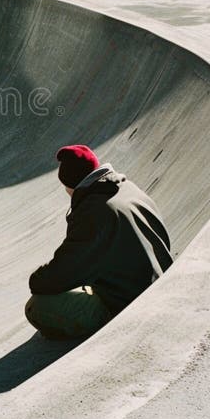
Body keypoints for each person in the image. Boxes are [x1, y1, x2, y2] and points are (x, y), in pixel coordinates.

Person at [25, 145, 172, 340]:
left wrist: (36, 279)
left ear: (71, 185)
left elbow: (61, 272)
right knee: (80, 282)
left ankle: (104, 322)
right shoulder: (126, 187)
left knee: (38, 306)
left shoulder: (93, 211)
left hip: (129, 304)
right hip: (162, 281)